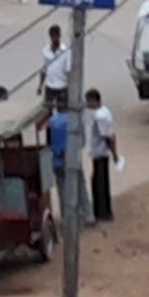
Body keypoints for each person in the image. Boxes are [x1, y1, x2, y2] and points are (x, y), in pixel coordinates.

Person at [46, 101, 92, 227]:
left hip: (57, 161)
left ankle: (66, 218)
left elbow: (49, 143)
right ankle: (88, 215)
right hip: (73, 159)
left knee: (62, 190)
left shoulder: (51, 122)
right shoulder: (75, 121)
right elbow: (82, 142)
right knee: (80, 187)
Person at [85, 88, 119, 222]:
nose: (87, 104)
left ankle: (102, 212)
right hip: (101, 153)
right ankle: (104, 210)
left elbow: (107, 137)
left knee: (99, 183)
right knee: (101, 181)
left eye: (88, 101)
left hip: (100, 153)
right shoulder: (105, 112)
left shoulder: (100, 116)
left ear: (94, 101)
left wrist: (114, 153)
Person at [37, 23, 70, 106]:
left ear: (59, 35)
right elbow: (44, 69)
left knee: (62, 110)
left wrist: (71, 88)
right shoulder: (46, 50)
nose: (54, 37)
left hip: (62, 87)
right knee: (48, 110)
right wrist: (40, 86)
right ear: (50, 36)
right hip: (49, 87)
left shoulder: (66, 51)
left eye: (56, 35)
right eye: (52, 35)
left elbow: (68, 71)